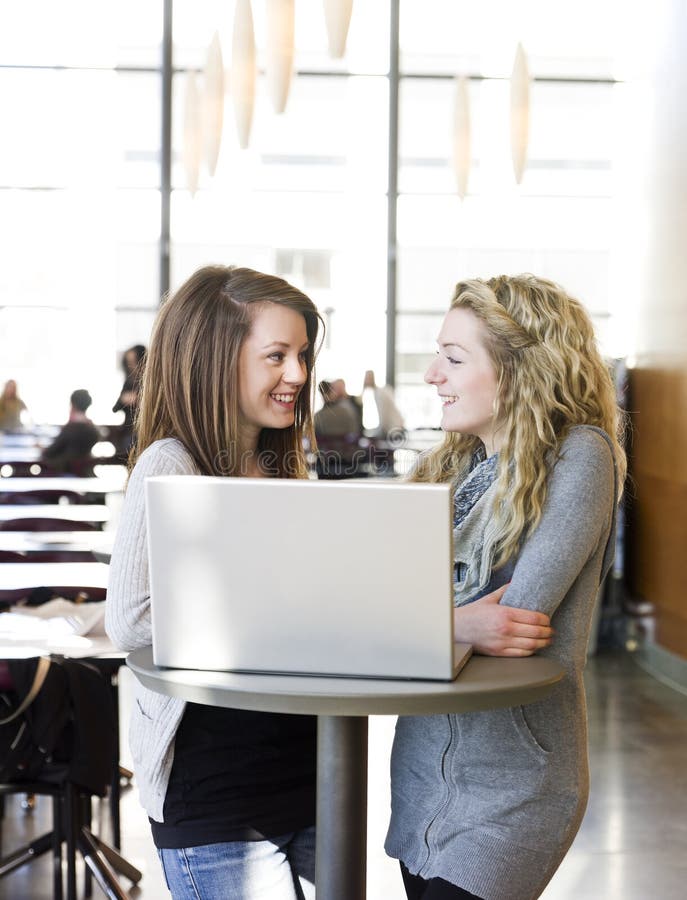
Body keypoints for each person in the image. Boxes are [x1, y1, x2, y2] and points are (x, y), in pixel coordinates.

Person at [385, 274, 626, 900]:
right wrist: (458, 624)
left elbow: (519, 621)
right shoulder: (451, 464)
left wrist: (410, 620)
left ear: (521, 370)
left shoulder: (581, 456)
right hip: (419, 779)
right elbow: (371, 604)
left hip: (515, 786)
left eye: (454, 357)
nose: (433, 375)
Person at [105, 265, 323, 900]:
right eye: (277, 356)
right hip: (215, 790)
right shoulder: (169, 464)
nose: (298, 376)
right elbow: (131, 620)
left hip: (304, 769)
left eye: (302, 355)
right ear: (213, 359)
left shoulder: (283, 468)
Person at [41, 388, 101, 475]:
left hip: (66, 473)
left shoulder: (70, 428)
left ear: (73, 404)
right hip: (86, 473)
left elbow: (49, 452)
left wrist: (42, 448)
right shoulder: (93, 429)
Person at [112, 344, 146, 457]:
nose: (131, 366)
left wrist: (139, 401)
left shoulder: (150, 383)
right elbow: (115, 408)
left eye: (133, 361)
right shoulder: (128, 383)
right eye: (128, 362)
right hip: (129, 431)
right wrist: (124, 399)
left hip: (144, 431)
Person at [361, 369, 405, 439]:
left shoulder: (379, 393)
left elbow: (383, 416)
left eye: (368, 378)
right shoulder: (380, 391)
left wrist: (376, 434)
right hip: (396, 427)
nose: (366, 381)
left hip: (394, 429)